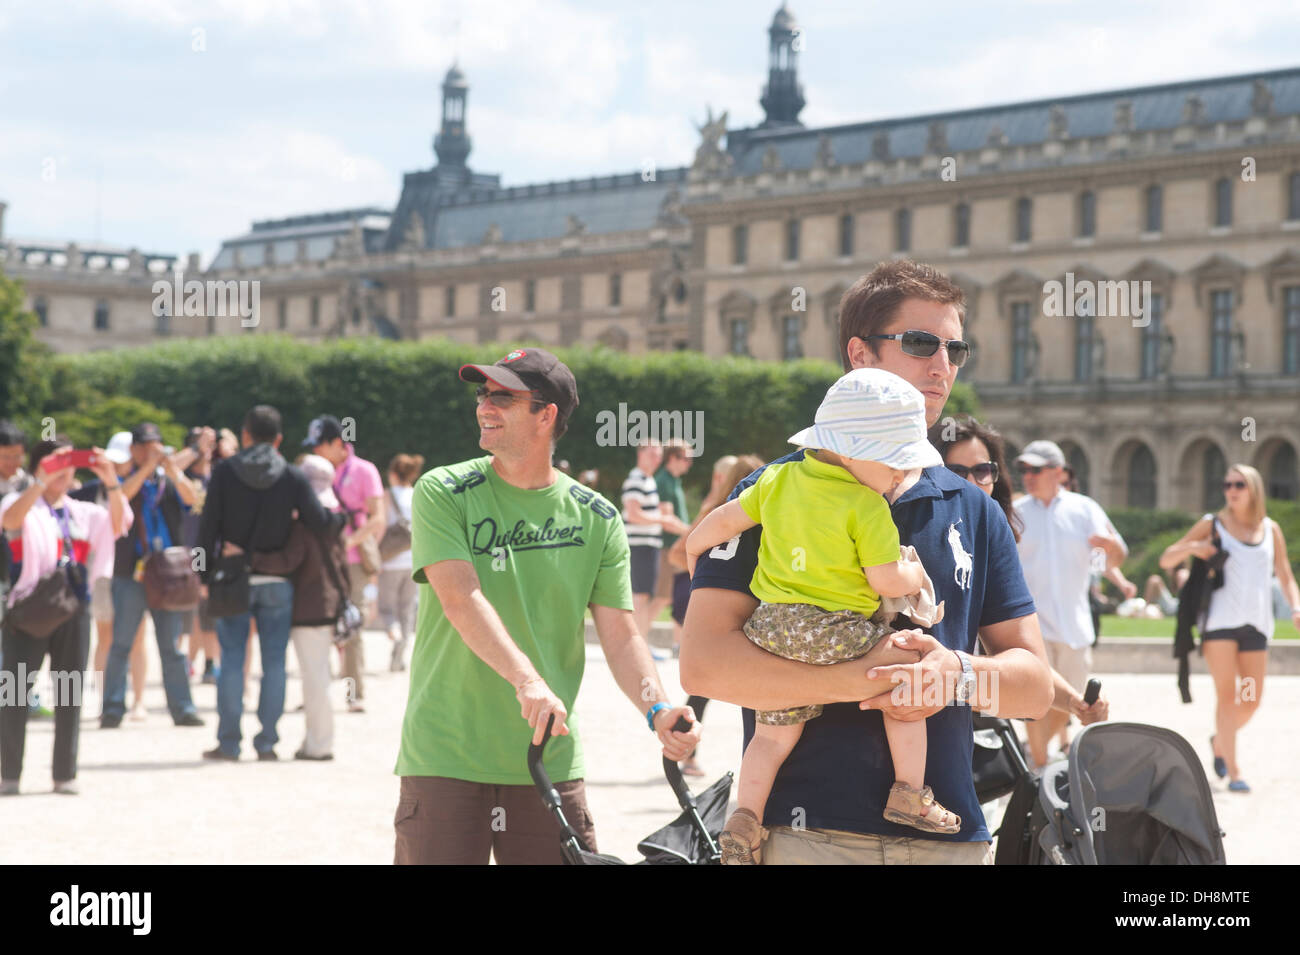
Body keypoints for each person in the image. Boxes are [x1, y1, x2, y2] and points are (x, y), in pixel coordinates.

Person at [681, 259, 1054, 866]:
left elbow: (1034, 688)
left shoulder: (973, 508)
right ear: (859, 354)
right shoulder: (775, 489)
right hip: (806, 835)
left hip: (949, 842)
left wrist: (953, 675)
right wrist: (872, 677)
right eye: (919, 343)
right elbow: (702, 667)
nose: (942, 365)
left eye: (956, 349)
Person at [394, 346, 700, 865]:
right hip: (444, 758)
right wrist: (528, 681)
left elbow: (623, 635)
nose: (484, 406)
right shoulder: (443, 491)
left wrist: (657, 706)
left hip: (550, 763)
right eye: (482, 394)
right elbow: (460, 597)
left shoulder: (598, 517)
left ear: (547, 414)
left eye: (503, 398)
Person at [686, 370, 959, 864]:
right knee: (906, 679)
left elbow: (724, 522)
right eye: (896, 464)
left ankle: (745, 817)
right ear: (854, 453)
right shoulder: (867, 505)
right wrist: (913, 577)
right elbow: (883, 581)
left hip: (771, 629)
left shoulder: (778, 478)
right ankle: (910, 791)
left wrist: (692, 548)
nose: (901, 476)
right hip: (836, 630)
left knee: (771, 736)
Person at [933, 417, 1110, 731]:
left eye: (983, 471)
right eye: (957, 472)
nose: (971, 483)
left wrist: (1073, 702)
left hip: (976, 715)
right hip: (920, 720)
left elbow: (1018, 656)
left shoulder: (991, 543)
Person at [197, 405, 343, 761]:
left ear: (245, 435)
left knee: (231, 660)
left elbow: (207, 529)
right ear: (278, 439)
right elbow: (321, 522)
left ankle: (229, 743)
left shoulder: (224, 472)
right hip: (278, 579)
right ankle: (267, 743)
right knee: (275, 662)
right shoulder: (292, 477)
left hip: (232, 576)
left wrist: (205, 573)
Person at [1160, 464, 1300, 793]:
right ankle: (1235, 772)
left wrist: (1295, 605)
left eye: (1239, 484)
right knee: (1227, 696)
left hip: (1257, 625)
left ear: (1253, 489)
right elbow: (1167, 559)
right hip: (1220, 624)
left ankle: (1220, 740)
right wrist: (1194, 548)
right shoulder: (1213, 524)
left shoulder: (1270, 529)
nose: (1231, 490)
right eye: (1227, 484)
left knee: (1250, 699)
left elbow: (1285, 574)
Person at [1, 437, 127, 794]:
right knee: (12, 694)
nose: (65, 471)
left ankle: (64, 773)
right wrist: (40, 482)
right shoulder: (20, 502)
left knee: (70, 694)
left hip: (73, 610)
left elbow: (117, 523)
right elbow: (9, 520)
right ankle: (9, 774)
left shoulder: (83, 511)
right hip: (26, 611)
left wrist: (111, 480)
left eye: (69, 463)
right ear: (40, 467)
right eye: (57, 463)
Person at [1012, 439, 1127, 767]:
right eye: (1023, 469)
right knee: (1037, 701)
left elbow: (1113, 560)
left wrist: (1111, 548)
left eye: (1036, 469)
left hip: (1075, 624)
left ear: (1059, 472)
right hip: (1030, 625)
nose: (1028, 476)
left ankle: (1034, 759)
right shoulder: (1014, 514)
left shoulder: (1084, 508)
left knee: (1073, 703)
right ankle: (1038, 767)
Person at [100, 423, 204, 729]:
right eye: (144, 446)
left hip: (168, 574)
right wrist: (146, 467)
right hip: (130, 571)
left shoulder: (167, 479)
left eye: (155, 445)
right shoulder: (121, 479)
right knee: (121, 641)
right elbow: (121, 496)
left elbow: (192, 499)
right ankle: (113, 708)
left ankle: (183, 708)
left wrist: (171, 469)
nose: (151, 451)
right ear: (133, 450)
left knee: (171, 646)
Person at [667, 453, 763, 777]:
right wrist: (709, 577)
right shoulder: (723, 512)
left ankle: (688, 754)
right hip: (724, 608)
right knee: (723, 691)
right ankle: (689, 754)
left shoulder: (731, 511)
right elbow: (676, 553)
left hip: (726, 609)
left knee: (707, 690)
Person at [248, 454, 348, 760]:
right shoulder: (335, 518)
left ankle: (319, 745)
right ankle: (317, 741)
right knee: (320, 676)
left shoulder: (305, 524)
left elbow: (288, 559)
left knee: (315, 679)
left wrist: (249, 558)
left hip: (309, 608)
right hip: (329, 604)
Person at [305, 415, 384, 713]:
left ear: (337, 443)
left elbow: (377, 516)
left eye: (318, 445)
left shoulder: (365, 471)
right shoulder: (312, 472)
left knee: (352, 627)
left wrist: (347, 544)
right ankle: (316, 693)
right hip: (320, 561)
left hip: (352, 561)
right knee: (316, 626)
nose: (314, 451)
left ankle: (353, 694)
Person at [70, 431, 148, 719]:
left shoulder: (148, 487)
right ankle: (105, 700)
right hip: (100, 573)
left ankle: (138, 700)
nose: (117, 467)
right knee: (104, 637)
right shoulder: (89, 492)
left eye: (122, 463)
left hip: (134, 571)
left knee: (138, 638)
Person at [174, 426, 220, 684]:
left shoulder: (219, 476)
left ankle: (211, 665)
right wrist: (195, 449)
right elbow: (168, 467)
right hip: (185, 552)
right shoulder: (181, 476)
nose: (206, 449)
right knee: (184, 613)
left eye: (210, 444)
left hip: (211, 553)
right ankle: (184, 662)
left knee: (209, 613)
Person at [622, 442, 677, 644]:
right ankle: (637, 643)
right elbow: (633, 514)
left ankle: (640, 642)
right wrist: (662, 519)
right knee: (640, 596)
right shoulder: (636, 479)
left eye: (658, 455)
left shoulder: (648, 480)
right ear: (640, 454)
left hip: (648, 545)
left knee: (643, 595)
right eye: (652, 454)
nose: (656, 459)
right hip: (639, 545)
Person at [379, 453, 422, 672]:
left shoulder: (387, 495)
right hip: (413, 560)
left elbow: (380, 525)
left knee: (387, 608)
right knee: (407, 609)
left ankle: (393, 633)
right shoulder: (417, 494)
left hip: (390, 561)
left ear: (394, 473)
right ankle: (401, 652)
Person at [650, 442, 694, 654]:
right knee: (661, 596)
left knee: (672, 595)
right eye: (686, 458)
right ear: (673, 458)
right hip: (668, 547)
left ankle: (677, 644)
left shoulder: (673, 481)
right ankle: (637, 639)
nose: (689, 464)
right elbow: (666, 519)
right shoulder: (664, 482)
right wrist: (691, 531)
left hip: (674, 546)